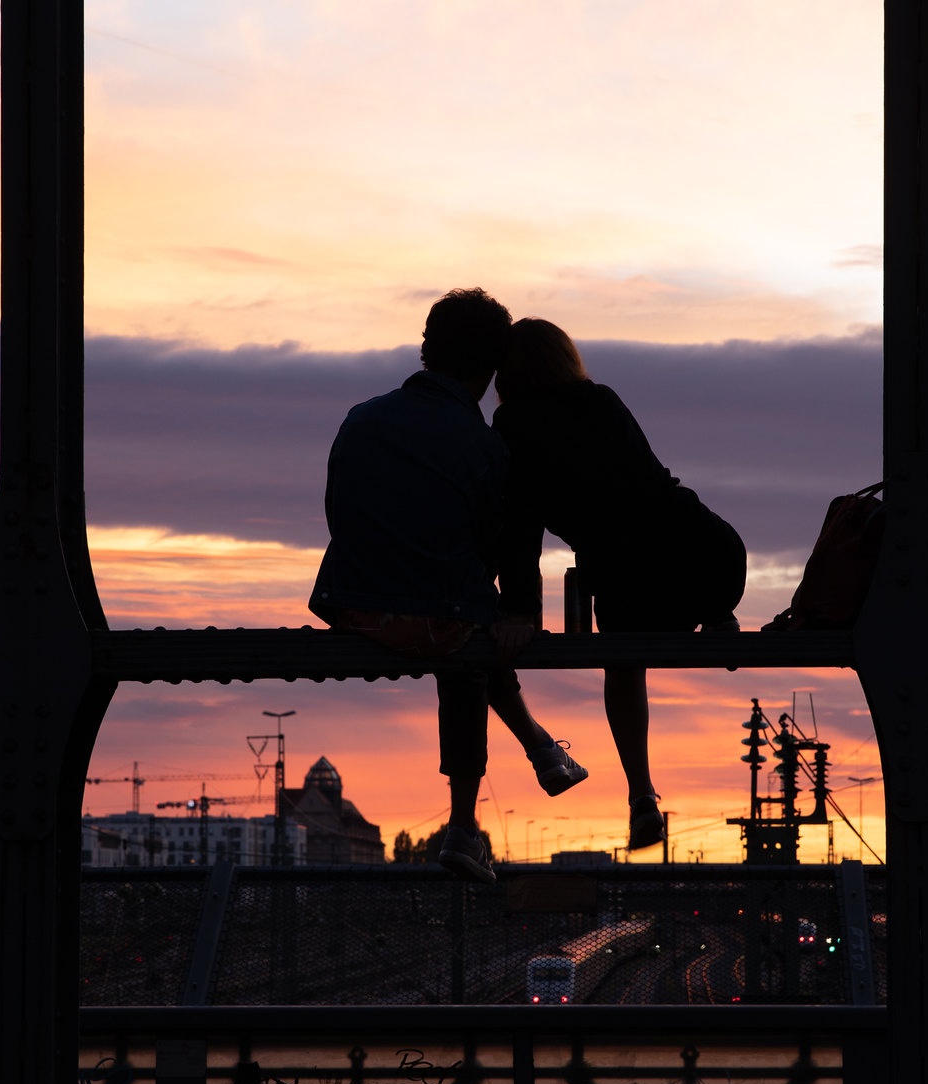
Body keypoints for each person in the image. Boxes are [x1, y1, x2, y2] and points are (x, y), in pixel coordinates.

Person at [309, 288, 586, 884]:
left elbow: (338, 513)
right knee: (464, 637)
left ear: (426, 348)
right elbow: (506, 542)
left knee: (455, 618)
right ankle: (466, 822)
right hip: (439, 620)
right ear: (493, 367)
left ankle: (539, 748)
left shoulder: (361, 419)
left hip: (352, 605)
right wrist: (518, 609)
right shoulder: (486, 445)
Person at [493, 318, 744, 851]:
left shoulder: (514, 427)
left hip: (627, 578)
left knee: (624, 663)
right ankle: (717, 619)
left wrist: (520, 611)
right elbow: (648, 486)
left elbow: (519, 529)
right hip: (706, 551)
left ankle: (641, 793)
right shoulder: (601, 400)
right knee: (669, 618)